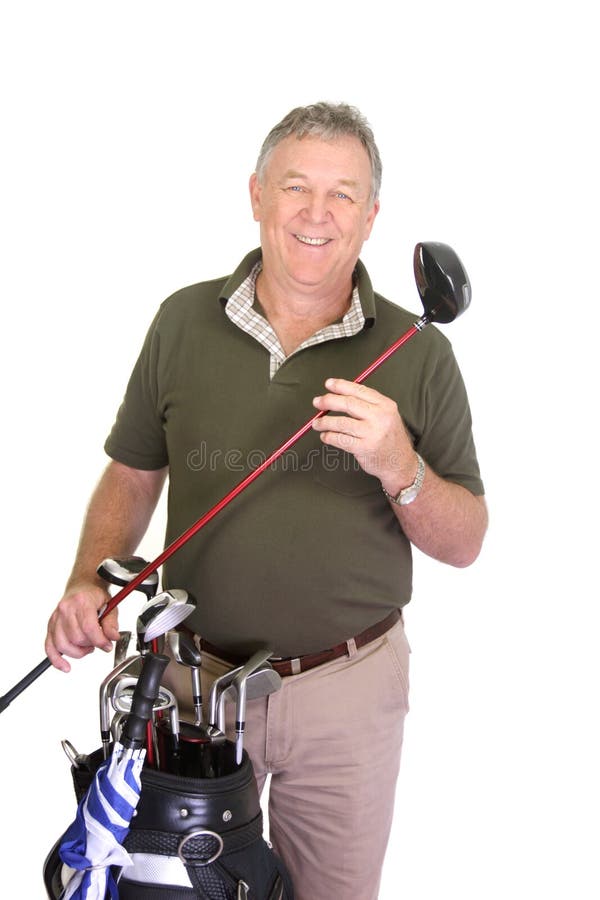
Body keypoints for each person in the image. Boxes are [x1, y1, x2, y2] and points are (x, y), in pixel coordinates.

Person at [45, 101, 487, 899]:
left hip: (346, 693)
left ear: (372, 216)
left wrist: (401, 465)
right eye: (296, 187)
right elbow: (134, 471)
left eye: (343, 194)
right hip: (186, 687)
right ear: (256, 195)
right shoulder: (182, 320)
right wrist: (89, 581)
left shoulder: (420, 353)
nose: (317, 214)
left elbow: (465, 539)